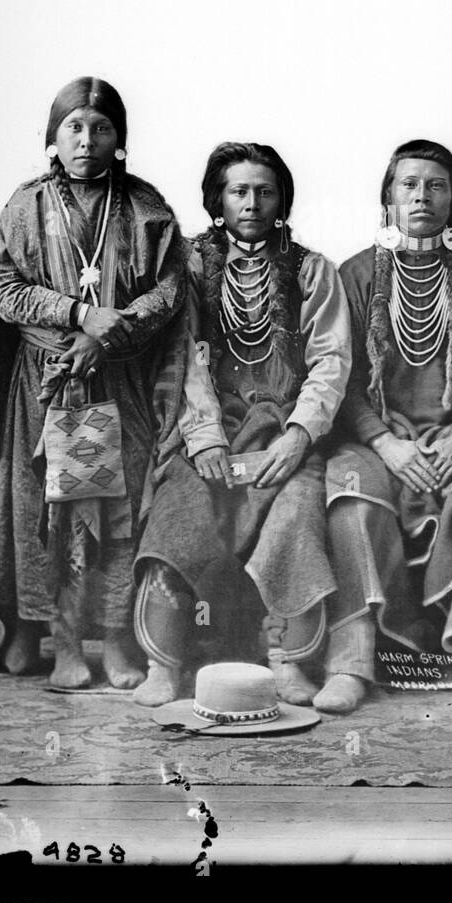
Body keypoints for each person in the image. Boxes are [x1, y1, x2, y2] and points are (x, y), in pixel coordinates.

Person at [0, 77, 188, 688]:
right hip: (45, 387)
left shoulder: (145, 206)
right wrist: (78, 316)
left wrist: (108, 335)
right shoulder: (23, 207)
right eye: (75, 127)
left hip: (118, 382)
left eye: (102, 128)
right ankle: (62, 646)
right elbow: (4, 292)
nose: (88, 140)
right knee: (50, 515)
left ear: (121, 139)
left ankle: (115, 644)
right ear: (53, 137)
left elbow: (168, 293)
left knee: (119, 512)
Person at [132, 142, 352, 707]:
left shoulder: (312, 270)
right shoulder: (190, 266)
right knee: (180, 505)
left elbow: (330, 360)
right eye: (238, 191)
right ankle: (166, 661)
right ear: (217, 200)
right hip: (209, 428)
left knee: (295, 512)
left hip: (284, 427)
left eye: (264, 191)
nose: (251, 203)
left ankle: (286, 658)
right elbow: (182, 355)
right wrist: (203, 437)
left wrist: (300, 435)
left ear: (282, 201)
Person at [314, 139, 452, 719]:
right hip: (373, 436)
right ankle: (351, 660)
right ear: (388, 197)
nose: (422, 196)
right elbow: (341, 378)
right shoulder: (353, 275)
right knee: (350, 501)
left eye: (436, 185)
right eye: (409, 184)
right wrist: (385, 441)